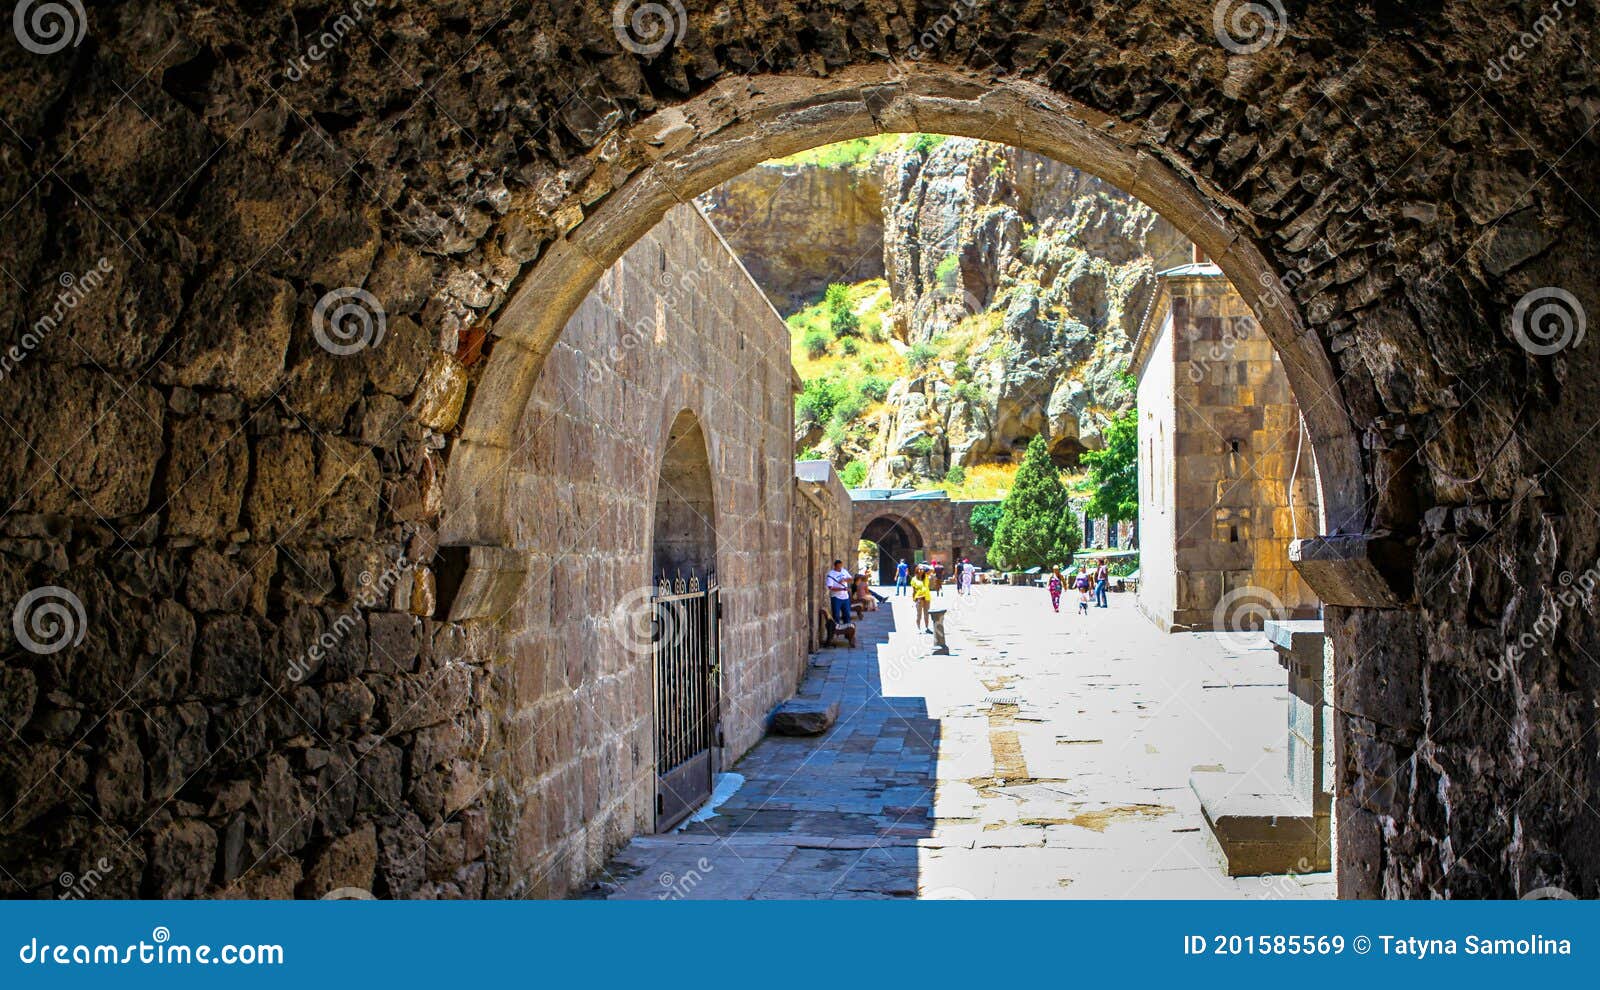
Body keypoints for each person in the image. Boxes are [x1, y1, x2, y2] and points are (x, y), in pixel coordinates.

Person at [826, 559, 853, 629]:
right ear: (834, 566)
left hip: (845, 597)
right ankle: (836, 630)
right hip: (836, 597)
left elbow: (851, 579)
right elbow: (830, 587)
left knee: (847, 614)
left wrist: (845, 580)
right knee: (836, 615)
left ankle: (848, 631)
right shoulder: (831, 574)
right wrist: (842, 589)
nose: (840, 568)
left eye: (841, 566)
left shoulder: (844, 571)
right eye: (838, 567)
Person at [910, 564, 933, 632]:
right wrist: (914, 599)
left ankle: (927, 628)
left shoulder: (926, 576)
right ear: (917, 570)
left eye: (922, 569)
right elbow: (913, 591)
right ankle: (918, 628)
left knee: (926, 613)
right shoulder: (914, 579)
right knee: (919, 614)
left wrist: (923, 565)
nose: (921, 570)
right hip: (919, 598)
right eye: (919, 569)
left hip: (927, 597)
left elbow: (932, 569)